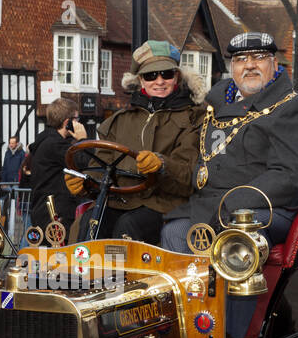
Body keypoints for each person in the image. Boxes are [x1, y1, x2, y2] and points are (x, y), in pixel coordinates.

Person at [161, 32, 298, 255]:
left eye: (259, 57)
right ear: (232, 67)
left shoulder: (294, 107)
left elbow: (288, 175)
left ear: (274, 63)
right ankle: (192, 291)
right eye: (241, 59)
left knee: (237, 235)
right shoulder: (213, 105)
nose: (250, 65)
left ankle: (232, 291)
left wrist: (230, 203)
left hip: (266, 207)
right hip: (211, 205)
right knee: (174, 232)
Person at [63, 40, 199, 244]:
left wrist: (162, 165)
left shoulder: (193, 119)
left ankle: (126, 277)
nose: (159, 81)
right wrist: (84, 184)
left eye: (166, 74)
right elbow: (100, 168)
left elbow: (190, 175)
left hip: (164, 204)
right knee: (90, 222)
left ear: (176, 77)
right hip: (119, 201)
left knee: (128, 225)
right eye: (151, 75)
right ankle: (82, 274)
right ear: (141, 80)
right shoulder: (120, 121)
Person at [28, 98, 87, 233]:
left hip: (45, 212)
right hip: (56, 215)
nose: (79, 123)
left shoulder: (47, 141)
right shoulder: (55, 144)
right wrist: (84, 139)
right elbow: (85, 162)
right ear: (68, 122)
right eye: (77, 119)